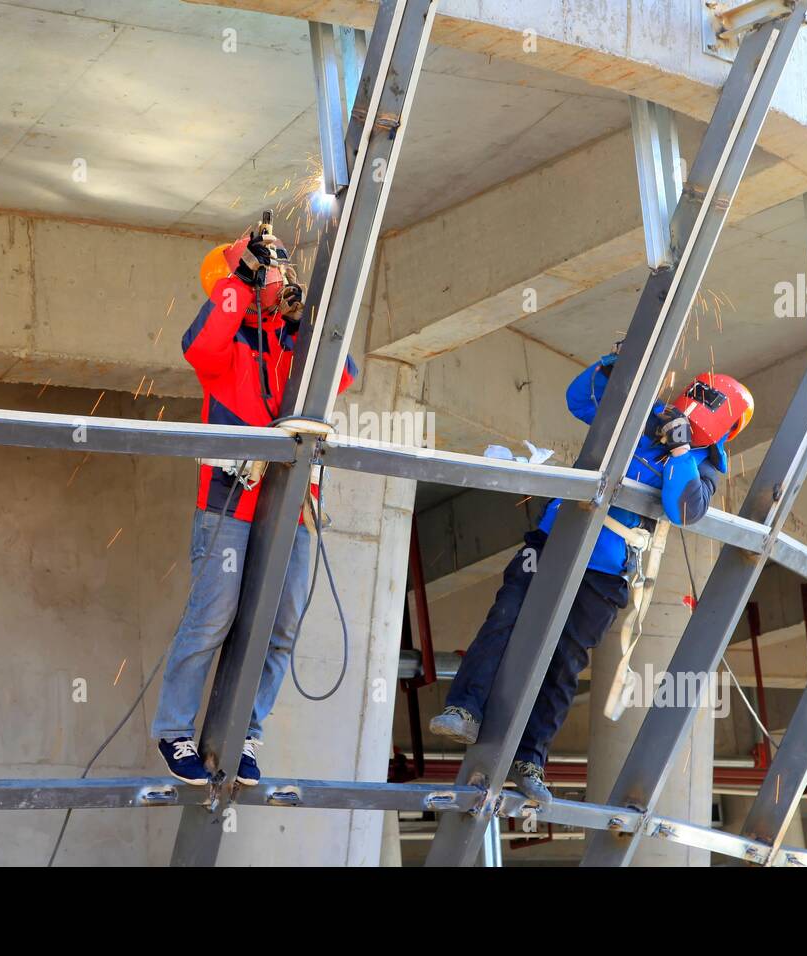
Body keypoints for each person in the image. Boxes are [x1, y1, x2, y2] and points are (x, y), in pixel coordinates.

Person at [428, 351, 754, 804]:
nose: (696, 403)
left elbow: (685, 509)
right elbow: (580, 400)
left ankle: (529, 759)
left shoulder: (705, 465)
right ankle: (464, 708)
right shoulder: (645, 414)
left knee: (565, 660)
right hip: (556, 540)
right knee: (507, 618)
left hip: (606, 570)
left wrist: (680, 450)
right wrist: (613, 365)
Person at [152, 218, 355, 786]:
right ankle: (174, 731)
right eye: (272, 271)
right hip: (229, 503)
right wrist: (243, 278)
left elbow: (342, 372)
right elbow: (199, 346)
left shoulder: (292, 339)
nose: (280, 278)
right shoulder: (227, 340)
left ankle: (248, 732)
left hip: (290, 504)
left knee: (282, 621)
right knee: (213, 616)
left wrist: (298, 316)